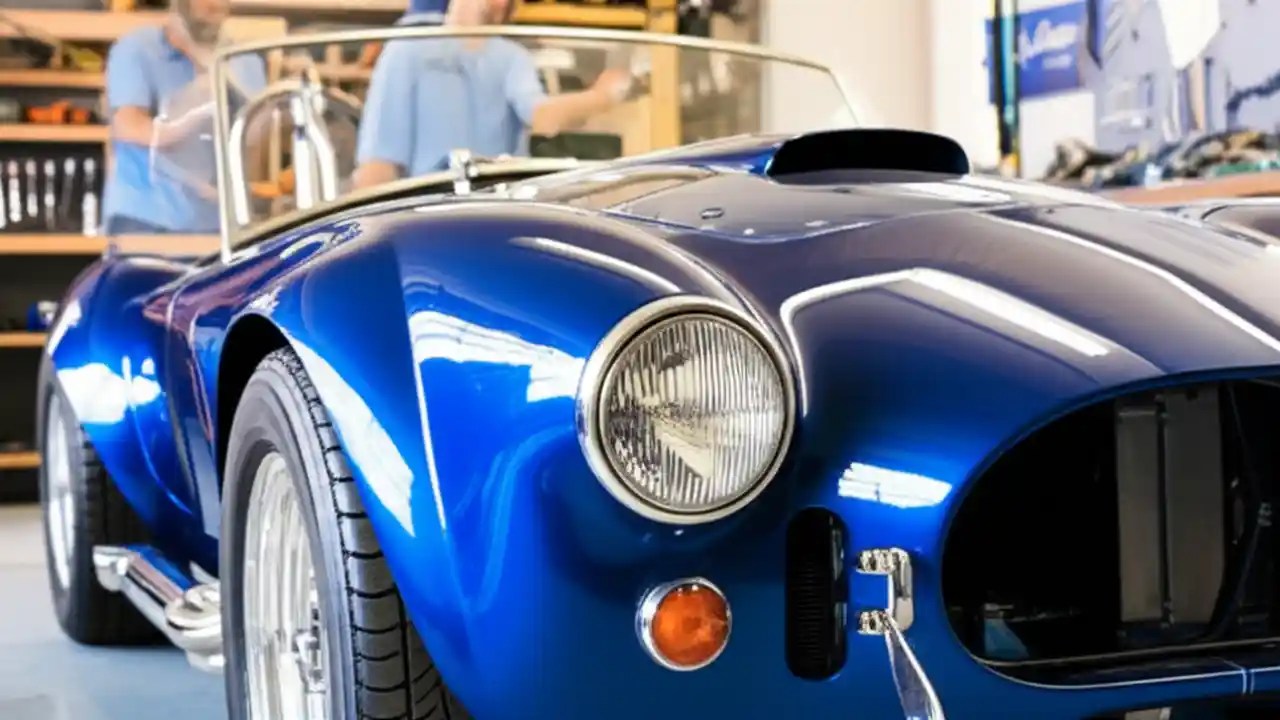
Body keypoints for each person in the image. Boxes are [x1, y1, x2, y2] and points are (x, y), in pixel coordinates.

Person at [352, 0, 633, 190]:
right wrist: (603, 95)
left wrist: (602, 96)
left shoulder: (510, 57)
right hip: (432, 211)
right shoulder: (408, 50)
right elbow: (378, 167)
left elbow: (542, 116)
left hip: (496, 207)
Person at [102, 0, 267, 235]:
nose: (214, 4)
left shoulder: (244, 60)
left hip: (217, 220)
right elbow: (129, 127)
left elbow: (254, 139)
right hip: (146, 219)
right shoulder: (136, 49)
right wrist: (198, 104)